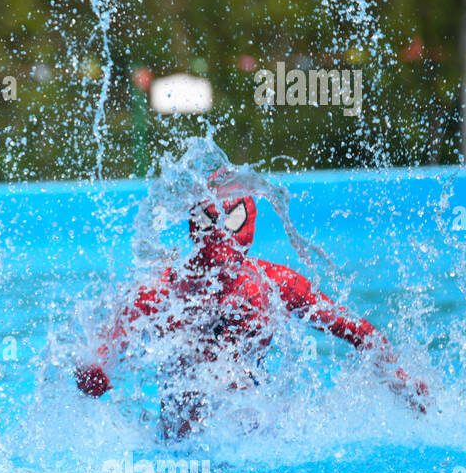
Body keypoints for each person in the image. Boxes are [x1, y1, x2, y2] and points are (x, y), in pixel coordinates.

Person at [73, 179, 429, 437]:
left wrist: (400, 379)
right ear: (194, 223)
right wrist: (94, 369)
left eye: (230, 222)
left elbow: (356, 331)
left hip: (247, 439)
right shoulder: (161, 291)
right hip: (181, 448)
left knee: (253, 403)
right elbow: (109, 342)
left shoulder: (273, 284)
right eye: (211, 222)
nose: (220, 237)